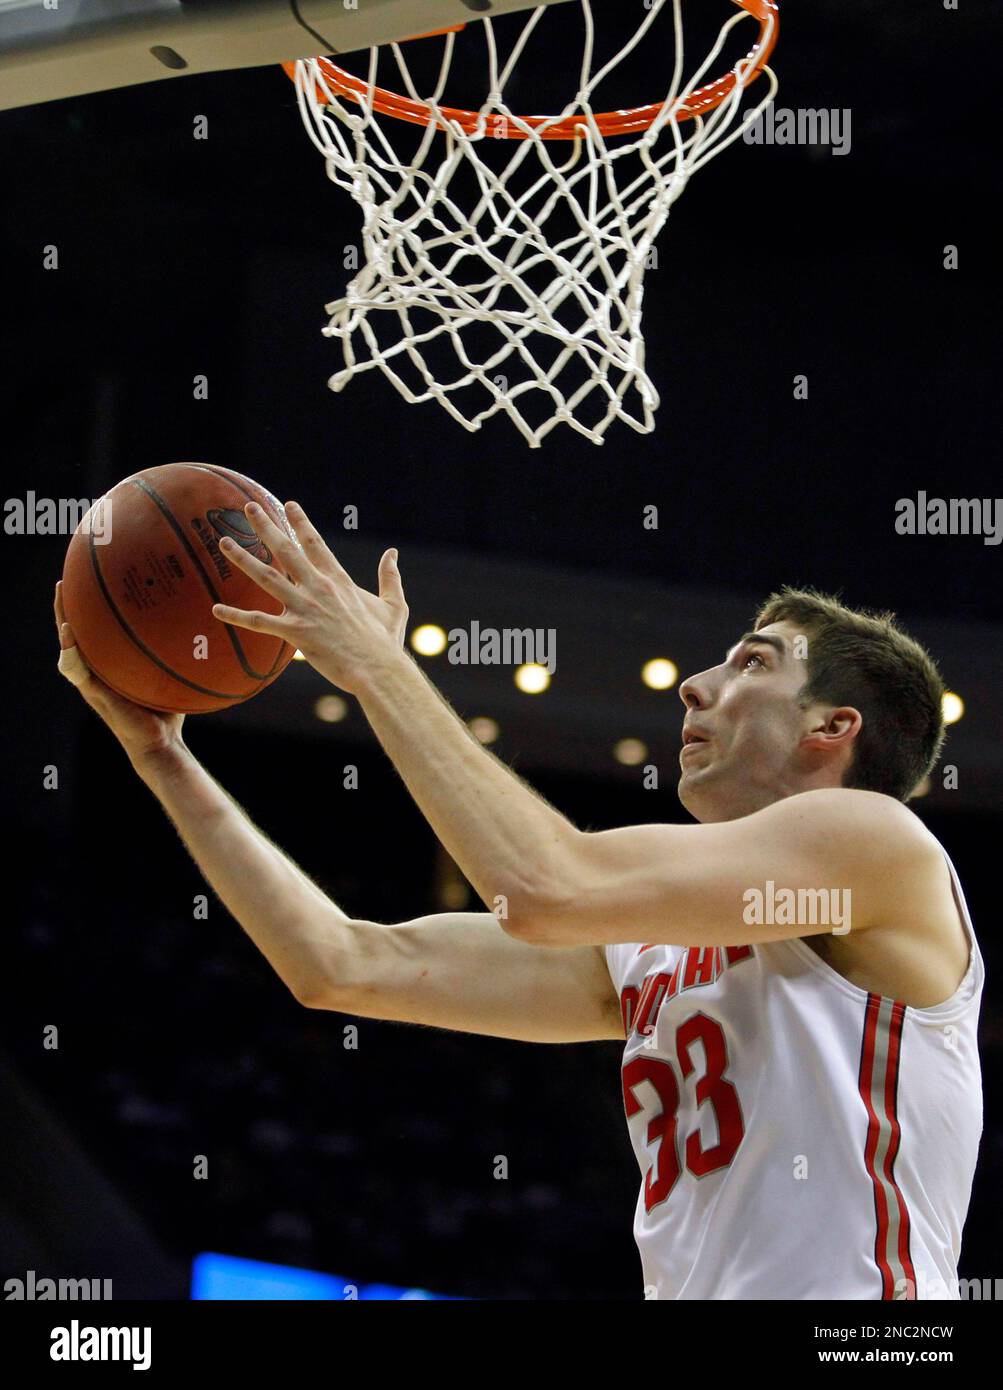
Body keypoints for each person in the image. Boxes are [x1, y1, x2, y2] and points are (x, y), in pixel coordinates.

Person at [54, 500, 983, 1300]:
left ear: (833, 727)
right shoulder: (651, 949)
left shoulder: (876, 843)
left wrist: (377, 666)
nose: (696, 687)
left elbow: (546, 886)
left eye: (750, 663)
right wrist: (164, 761)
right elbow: (341, 964)